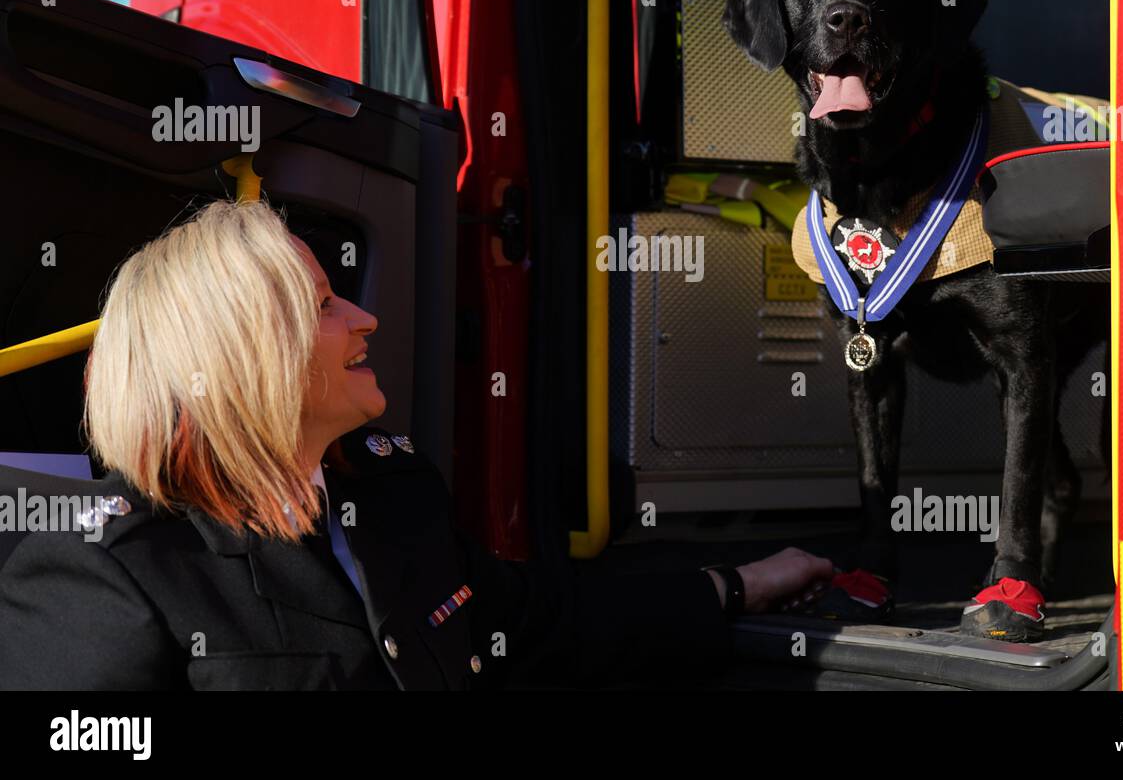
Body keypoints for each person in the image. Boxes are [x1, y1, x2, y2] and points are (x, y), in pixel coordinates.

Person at [0, 199, 832, 689]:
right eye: (324, 305)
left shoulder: (393, 496)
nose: (364, 318)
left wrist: (736, 586)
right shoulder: (109, 574)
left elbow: (540, 623)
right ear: (239, 356)